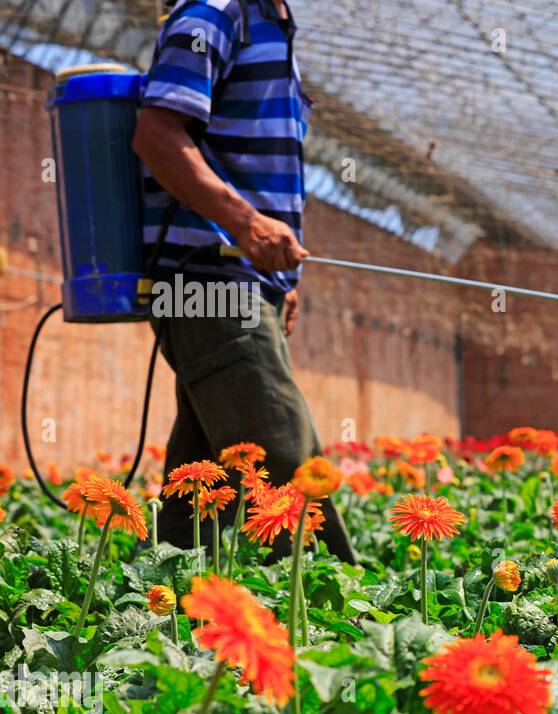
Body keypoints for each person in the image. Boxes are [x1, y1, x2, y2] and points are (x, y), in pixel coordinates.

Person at [132, 0, 355, 562]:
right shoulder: (214, 14)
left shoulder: (271, 28)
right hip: (210, 283)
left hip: (243, 284)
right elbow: (157, 134)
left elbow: (256, 171)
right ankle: (342, 630)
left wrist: (283, 282)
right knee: (286, 463)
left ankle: (163, 610)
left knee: (203, 484)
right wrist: (247, 224)